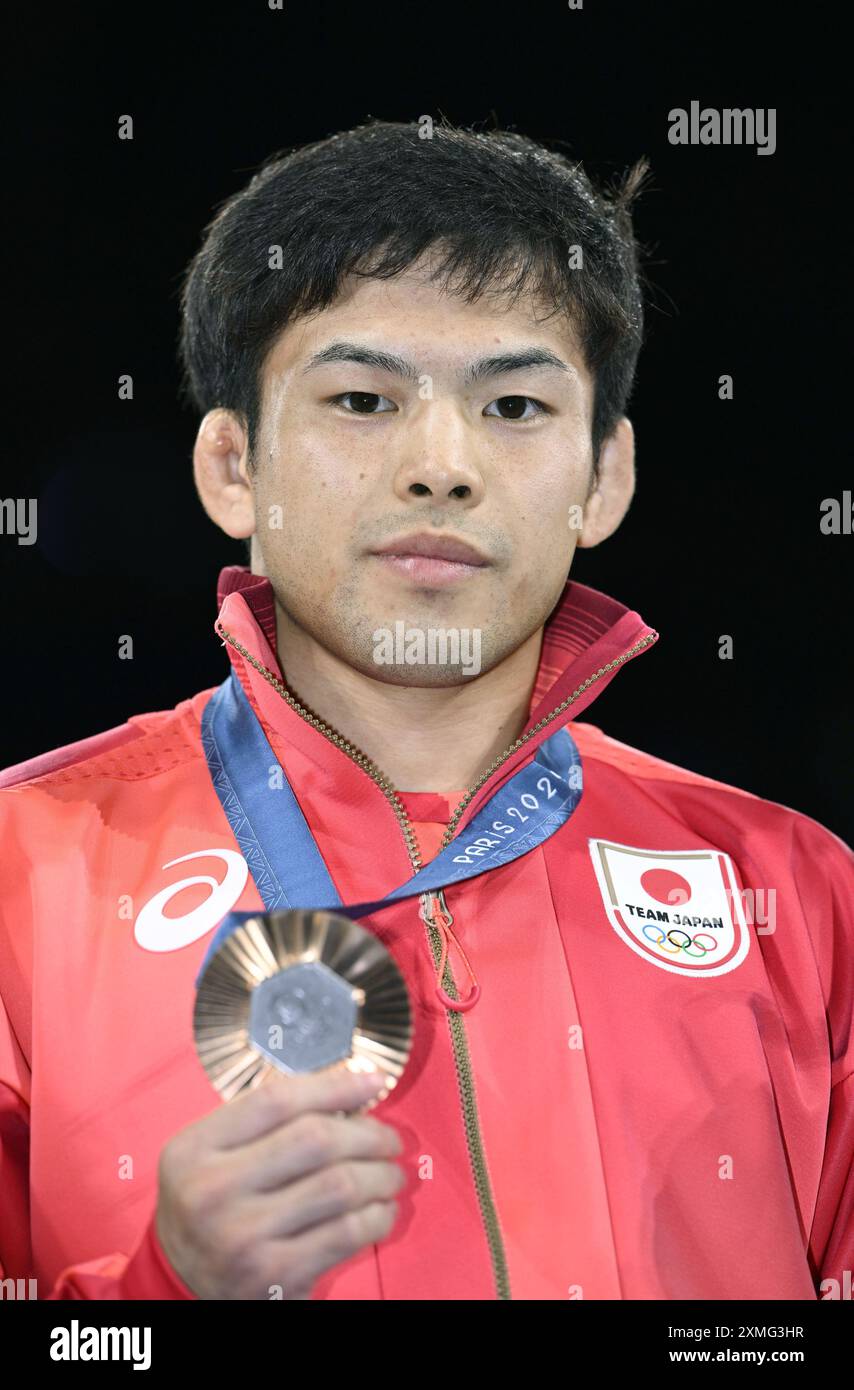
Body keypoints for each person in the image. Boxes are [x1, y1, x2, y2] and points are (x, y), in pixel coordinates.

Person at [0, 120, 851, 1302]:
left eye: (511, 408)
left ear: (602, 478)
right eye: (360, 398)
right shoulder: (21, 878)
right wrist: (167, 1287)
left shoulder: (793, 891)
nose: (439, 463)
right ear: (232, 468)